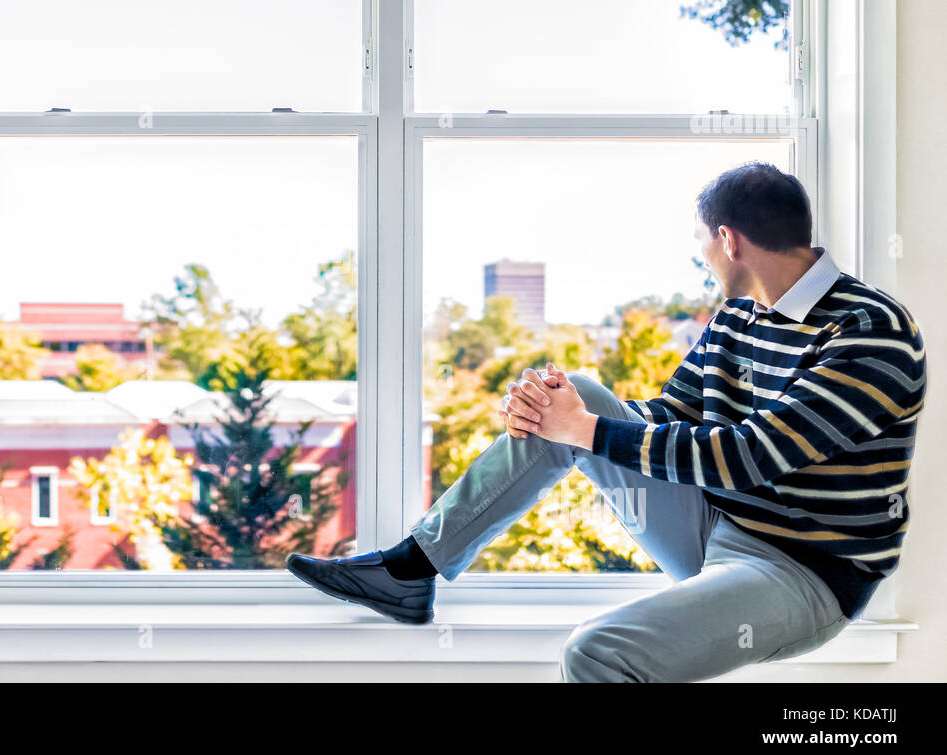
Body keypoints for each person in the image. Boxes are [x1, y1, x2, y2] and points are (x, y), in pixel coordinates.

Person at [286, 162, 927, 682]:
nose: (703, 257)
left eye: (703, 242)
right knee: (580, 393)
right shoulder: (739, 316)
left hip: (802, 571)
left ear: (728, 239)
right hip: (716, 521)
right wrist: (554, 408)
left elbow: (751, 455)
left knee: (595, 654)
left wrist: (582, 431)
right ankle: (410, 568)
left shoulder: (872, 330)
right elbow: (668, 416)